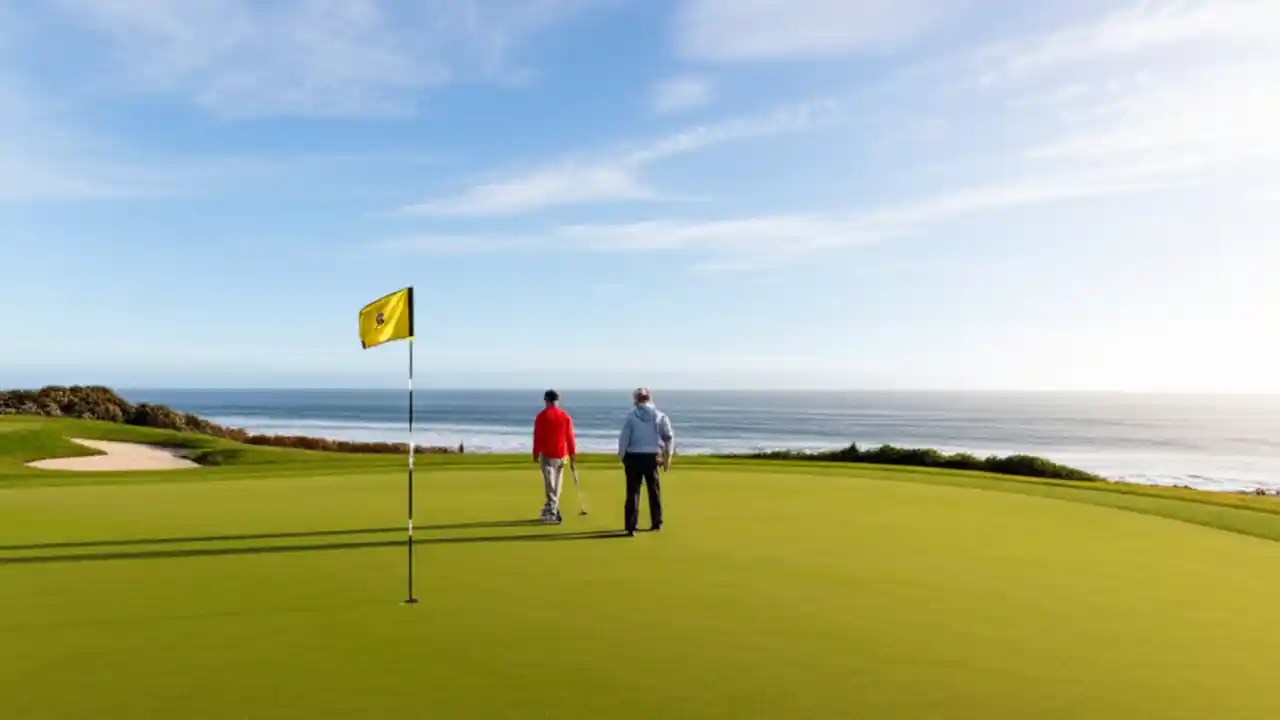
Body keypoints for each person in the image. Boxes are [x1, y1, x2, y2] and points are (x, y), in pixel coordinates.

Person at [617, 387, 675, 536]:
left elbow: (624, 438)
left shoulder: (630, 416)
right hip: (651, 456)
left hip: (633, 457)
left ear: (636, 399)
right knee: (654, 491)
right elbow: (668, 437)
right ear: (649, 398)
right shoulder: (659, 415)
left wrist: (622, 456)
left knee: (632, 492)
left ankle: (630, 526)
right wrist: (667, 457)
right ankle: (657, 522)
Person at [533, 389, 577, 524]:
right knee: (557, 483)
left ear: (546, 400)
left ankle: (552, 510)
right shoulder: (565, 416)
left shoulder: (542, 416)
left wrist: (535, 453)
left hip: (547, 455)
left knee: (550, 483)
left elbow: (538, 437)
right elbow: (570, 438)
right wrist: (572, 455)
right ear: (557, 401)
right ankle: (551, 506)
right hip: (562, 455)